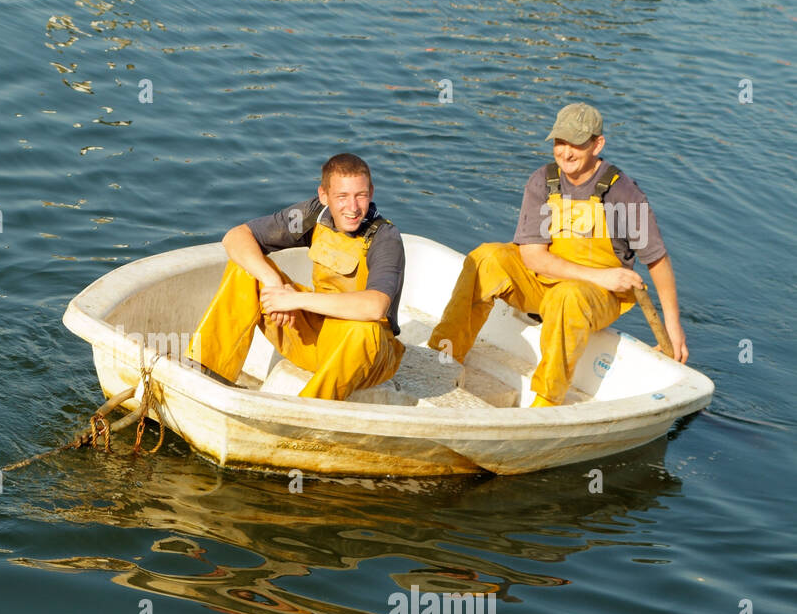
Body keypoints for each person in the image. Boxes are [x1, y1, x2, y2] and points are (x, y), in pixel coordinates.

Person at [427, 103, 688, 407]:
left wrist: (673, 326)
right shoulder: (544, 180)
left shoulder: (623, 193)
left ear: (597, 144)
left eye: (576, 143)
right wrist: (598, 274)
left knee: (568, 297)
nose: (565, 152)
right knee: (486, 258)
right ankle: (442, 356)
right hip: (550, 280)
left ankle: (547, 401)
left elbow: (656, 259)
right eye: (559, 142)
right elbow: (534, 258)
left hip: (597, 296)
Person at [185, 153, 406, 401]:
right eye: (342, 196)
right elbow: (236, 237)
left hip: (369, 354)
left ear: (371, 192)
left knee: (363, 331)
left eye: (360, 195)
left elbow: (375, 307)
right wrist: (274, 283)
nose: (353, 208)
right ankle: (204, 377)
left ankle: (305, 413)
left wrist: (295, 301)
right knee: (246, 268)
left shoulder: (385, 237)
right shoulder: (313, 214)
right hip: (316, 338)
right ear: (324, 196)